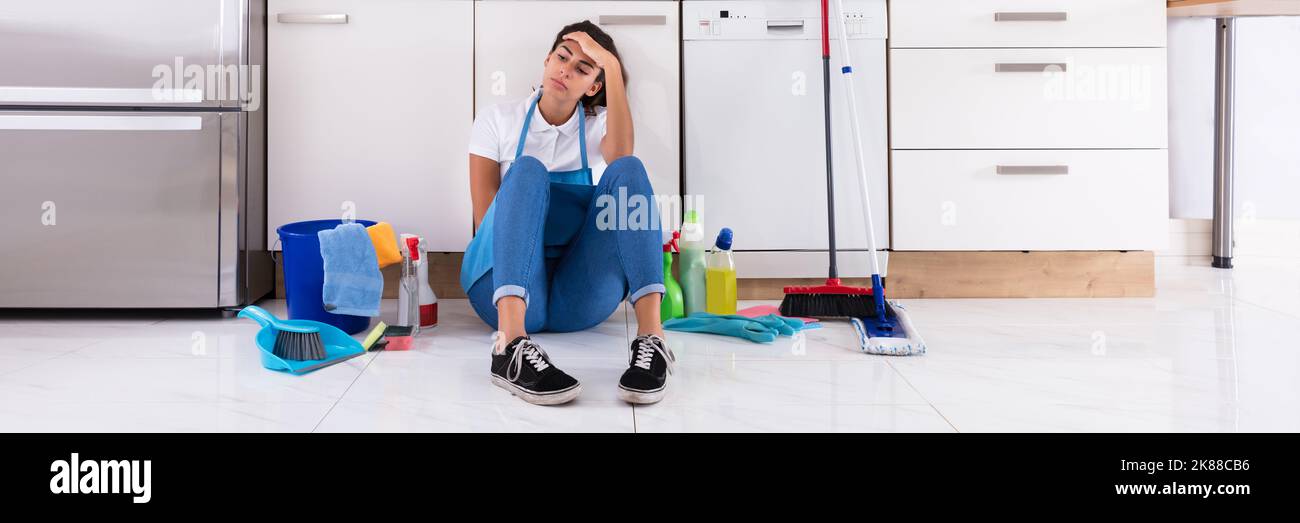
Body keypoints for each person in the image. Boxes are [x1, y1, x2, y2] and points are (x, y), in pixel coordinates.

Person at [462, 21, 674, 406]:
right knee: (527, 169)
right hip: (506, 289)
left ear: (595, 86)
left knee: (629, 169)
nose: (566, 69)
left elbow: (622, 156)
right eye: (562, 57)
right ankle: (510, 346)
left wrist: (611, 65)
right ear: (546, 60)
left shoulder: (600, 129)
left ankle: (651, 340)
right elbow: (484, 220)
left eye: (583, 68)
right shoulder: (497, 120)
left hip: (577, 296)